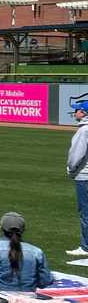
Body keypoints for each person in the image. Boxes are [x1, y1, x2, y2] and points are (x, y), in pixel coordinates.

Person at [68, 100, 88, 257]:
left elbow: (76, 155)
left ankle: (86, 246)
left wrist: (71, 169)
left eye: (77, 110)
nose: (75, 113)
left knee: (85, 212)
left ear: (83, 113)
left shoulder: (83, 131)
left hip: (84, 176)